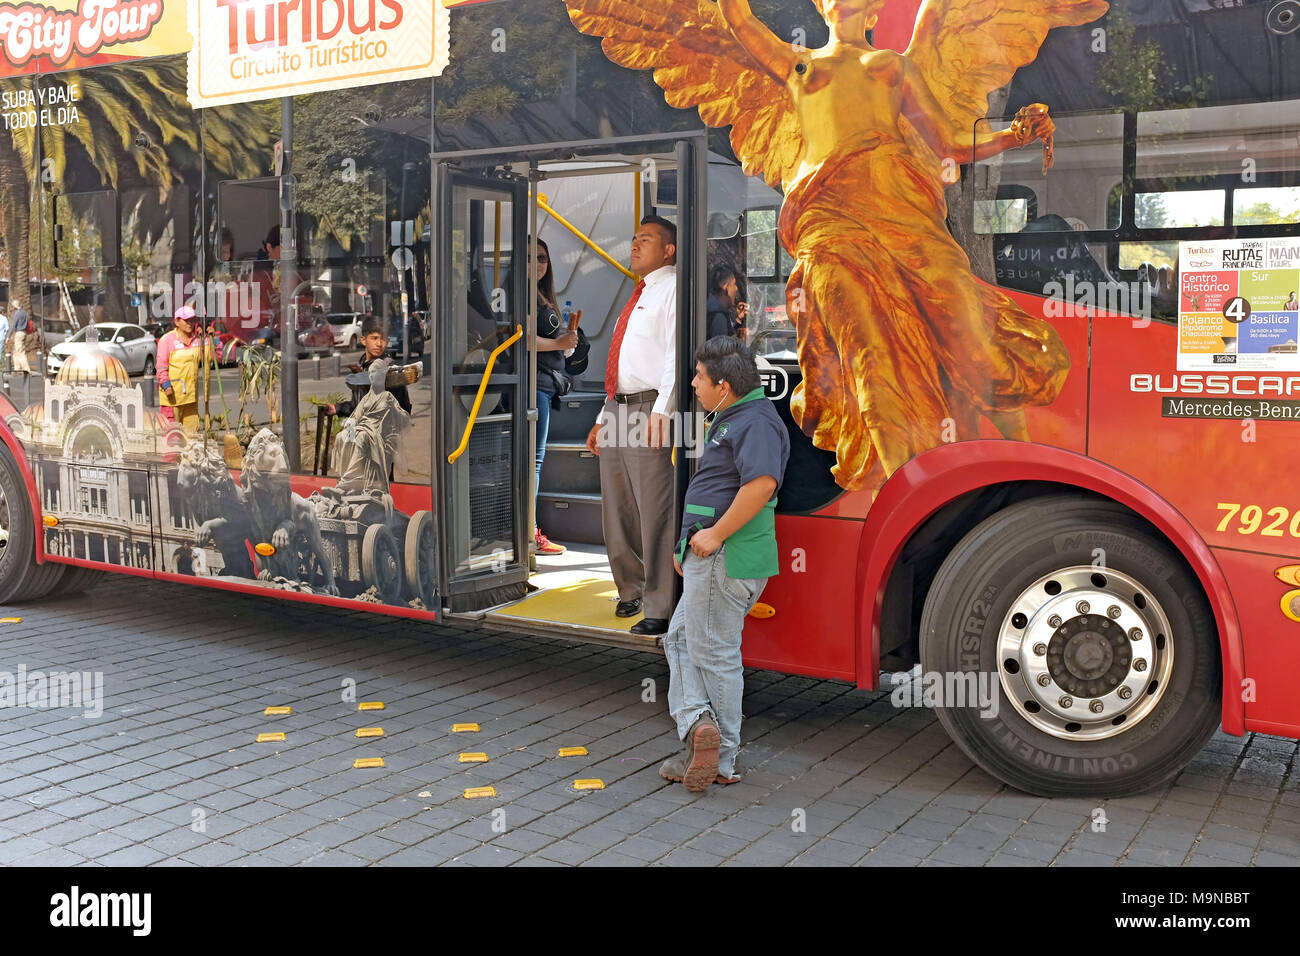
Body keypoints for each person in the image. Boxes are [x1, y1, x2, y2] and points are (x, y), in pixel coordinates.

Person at [659, 336, 789, 791]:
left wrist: (712, 536)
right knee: (678, 641)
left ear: (725, 386)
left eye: (699, 377)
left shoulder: (752, 422)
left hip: (724, 558)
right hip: (713, 558)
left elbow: (761, 484)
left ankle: (719, 755)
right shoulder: (739, 417)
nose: (693, 384)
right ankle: (701, 731)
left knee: (713, 653)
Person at [585, 215, 679, 636]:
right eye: (634, 237)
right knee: (617, 507)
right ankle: (631, 589)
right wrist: (601, 417)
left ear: (668, 249)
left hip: (649, 410)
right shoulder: (639, 292)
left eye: (647, 239)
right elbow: (621, 362)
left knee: (654, 510)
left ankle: (660, 604)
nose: (635, 244)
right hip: (617, 408)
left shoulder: (673, 287)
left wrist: (663, 410)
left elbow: (676, 355)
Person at [532, 238, 580, 556]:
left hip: (546, 385)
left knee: (535, 462)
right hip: (533, 386)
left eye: (543, 257)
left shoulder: (544, 297)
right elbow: (520, 338)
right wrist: (558, 344)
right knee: (533, 463)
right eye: (530, 257)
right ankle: (528, 533)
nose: (538, 263)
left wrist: (569, 343)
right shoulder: (522, 297)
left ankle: (527, 530)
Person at [327, 317, 412, 417]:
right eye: (374, 338)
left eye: (383, 339)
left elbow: (399, 408)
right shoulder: (363, 365)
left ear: (388, 341)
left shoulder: (390, 368)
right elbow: (358, 405)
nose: (379, 344)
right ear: (363, 340)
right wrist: (337, 408)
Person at [157, 305, 216, 433]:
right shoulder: (167, 340)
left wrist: (211, 338)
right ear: (177, 321)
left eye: (192, 319)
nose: (190, 323)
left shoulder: (198, 340)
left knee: (192, 437)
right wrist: (166, 385)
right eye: (186, 320)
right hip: (172, 399)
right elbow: (161, 367)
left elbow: (215, 358)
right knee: (172, 437)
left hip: (190, 398)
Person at [706, 264, 749, 340]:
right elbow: (724, 350)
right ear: (726, 288)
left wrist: (739, 320)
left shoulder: (712, 310)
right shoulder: (718, 317)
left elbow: (728, 337)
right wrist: (741, 337)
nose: (736, 289)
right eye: (734, 284)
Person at [10, 301, 32, 377]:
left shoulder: (17, 313)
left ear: (15, 306)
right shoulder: (24, 312)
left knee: (20, 352)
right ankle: (17, 369)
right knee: (15, 352)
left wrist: (8, 336)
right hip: (24, 333)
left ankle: (27, 370)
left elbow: (13, 325)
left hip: (19, 333)